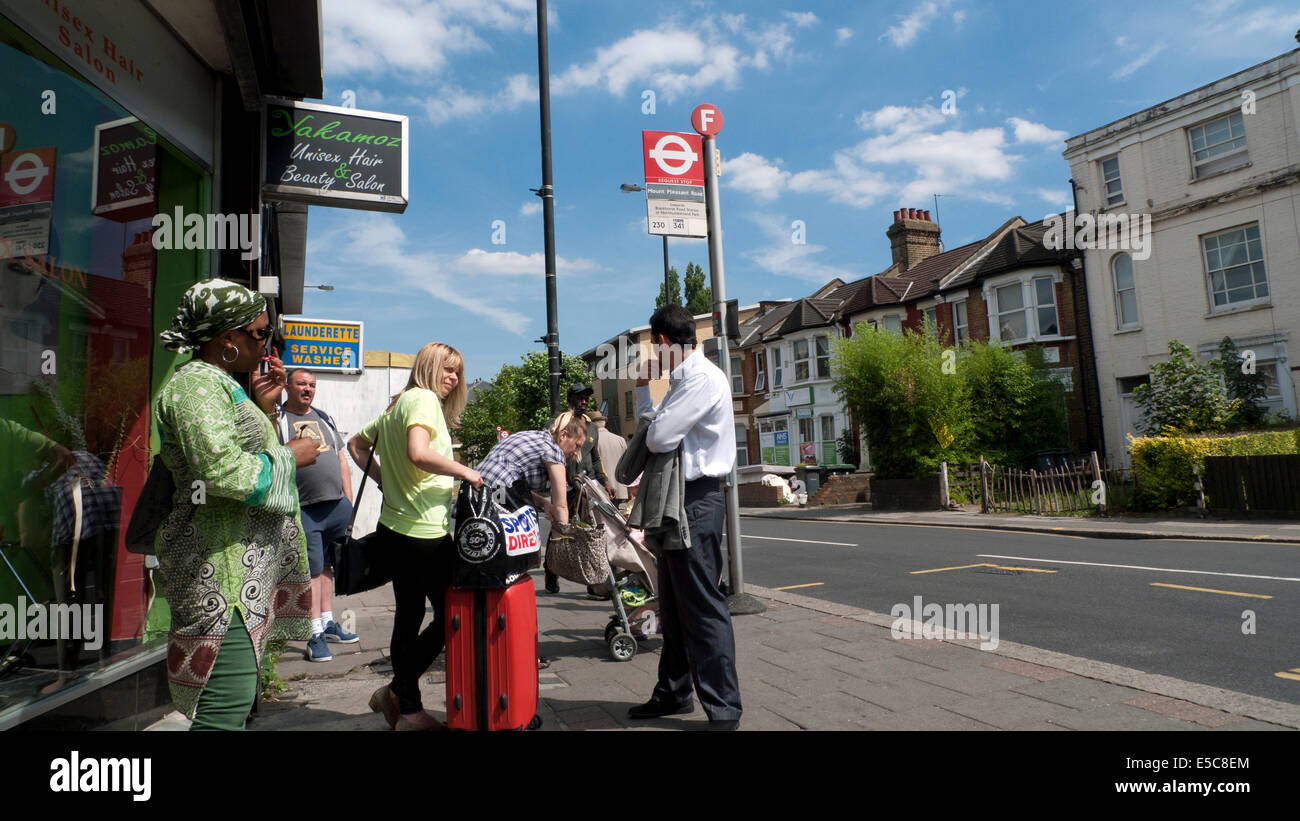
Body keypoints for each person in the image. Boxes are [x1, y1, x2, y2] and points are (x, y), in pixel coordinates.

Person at [153, 278, 320, 731]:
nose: (270, 346)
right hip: (219, 574)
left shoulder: (220, 385)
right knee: (223, 706)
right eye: (262, 333)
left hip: (235, 573)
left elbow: (233, 453)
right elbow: (222, 471)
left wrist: (264, 409)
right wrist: (292, 456)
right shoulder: (197, 388)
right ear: (228, 339)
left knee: (233, 698)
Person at [347, 342, 480, 732]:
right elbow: (419, 453)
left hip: (396, 529)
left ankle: (407, 709)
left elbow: (356, 444)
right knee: (453, 614)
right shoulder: (421, 399)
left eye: (456, 371)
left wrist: (384, 481)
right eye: (445, 368)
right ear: (427, 367)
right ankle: (399, 693)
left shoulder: (397, 404)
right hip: (423, 534)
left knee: (409, 616)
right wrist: (465, 471)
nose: (452, 377)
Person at [625, 305, 742, 731]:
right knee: (673, 608)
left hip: (695, 500)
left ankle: (724, 708)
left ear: (662, 343)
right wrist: (645, 392)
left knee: (703, 607)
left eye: (652, 349)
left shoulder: (700, 378)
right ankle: (673, 694)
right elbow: (654, 430)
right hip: (679, 501)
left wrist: (652, 414)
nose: (650, 358)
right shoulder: (682, 379)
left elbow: (657, 437)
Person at [278, 368, 359, 662]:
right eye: (301, 384)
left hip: (335, 506)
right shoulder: (280, 421)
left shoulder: (324, 417)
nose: (307, 389)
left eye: (312, 385)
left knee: (328, 567)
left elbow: (340, 457)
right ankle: (314, 635)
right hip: (305, 509)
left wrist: (347, 501)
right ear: (288, 386)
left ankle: (328, 622)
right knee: (312, 571)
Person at [543, 383, 610, 594]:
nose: (584, 401)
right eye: (579, 397)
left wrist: (604, 480)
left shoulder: (591, 426)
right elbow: (549, 449)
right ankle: (550, 571)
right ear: (570, 398)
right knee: (559, 527)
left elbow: (595, 456)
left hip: (586, 485)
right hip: (564, 483)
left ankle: (591, 580)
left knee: (588, 530)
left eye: (586, 398)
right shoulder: (560, 421)